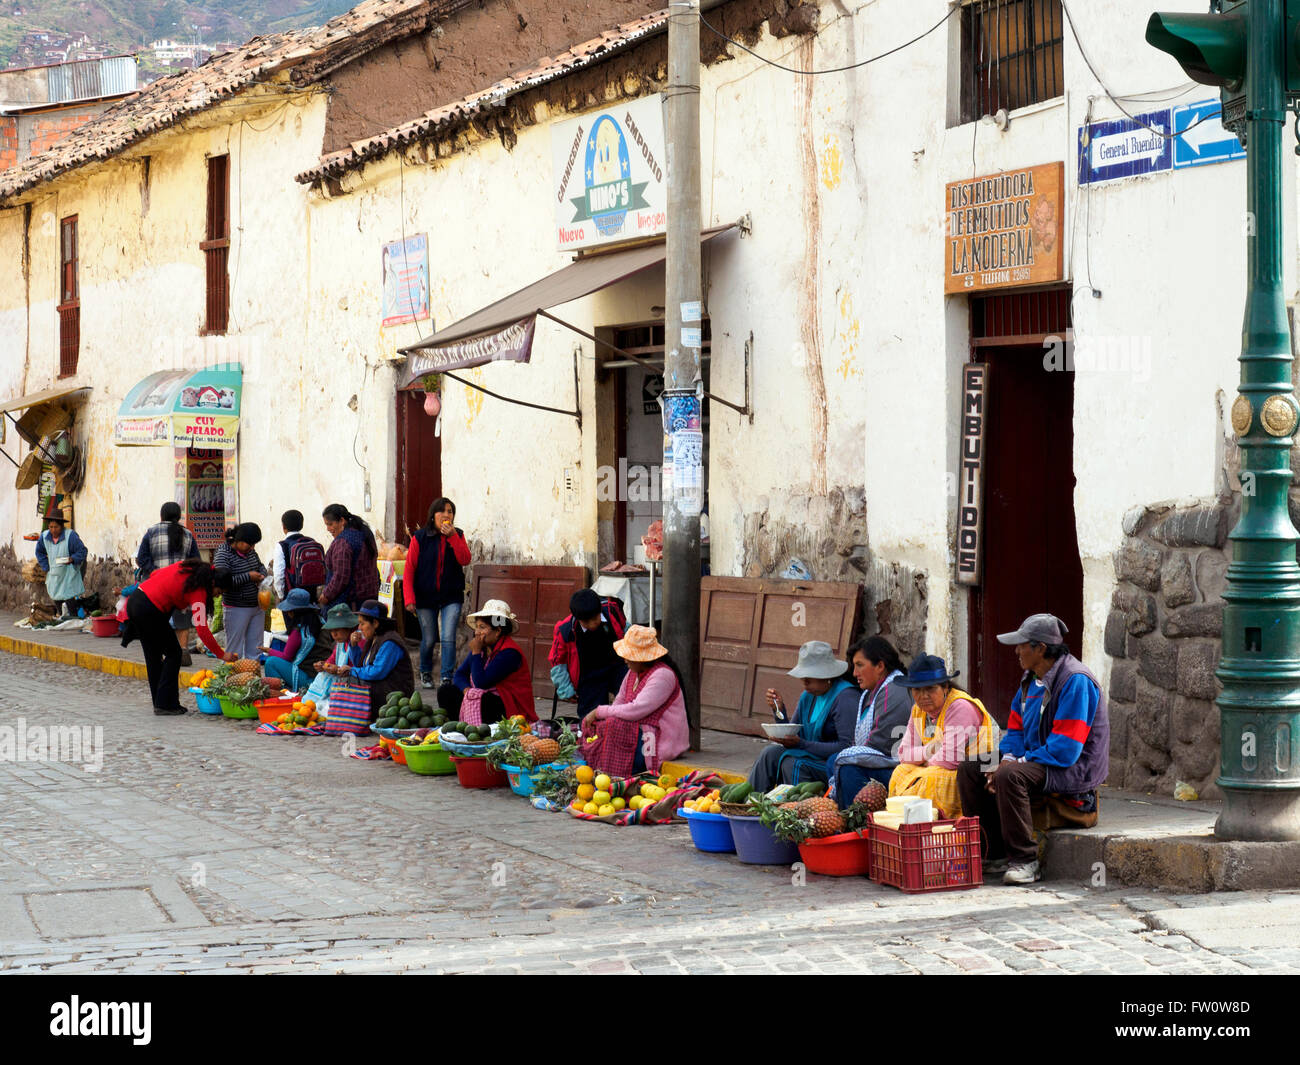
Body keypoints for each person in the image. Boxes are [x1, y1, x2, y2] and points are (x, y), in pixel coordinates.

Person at [957, 613, 1109, 886]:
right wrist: (1008, 757)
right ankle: (994, 854)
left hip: (1072, 769)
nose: (1016, 651)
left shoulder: (1076, 681)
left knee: (1009, 775)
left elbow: (1066, 749)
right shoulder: (1030, 681)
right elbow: (1015, 732)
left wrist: (1014, 764)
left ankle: (1026, 861)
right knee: (970, 768)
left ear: (1040, 648)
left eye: (1021, 645)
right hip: (1036, 759)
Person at [888, 654, 998, 820]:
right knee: (900, 771)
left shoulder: (959, 707)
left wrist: (921, 759)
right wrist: (929, 751)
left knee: (933, 777)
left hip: (976, 773)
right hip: (940, 765)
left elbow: (950, 759)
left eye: (930, 688)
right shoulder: (918, 711)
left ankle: (941, 827)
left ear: (945, 687)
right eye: (917, 690)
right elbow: (903, 753)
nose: (923, 696)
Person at [122, 559, 235, 714]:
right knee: (174, 653)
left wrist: (173, 595)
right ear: (213, 583)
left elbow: (156, 573)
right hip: (149, 609)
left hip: (137, 600)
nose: (216, 596)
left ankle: (161, 703)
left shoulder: (189, 569)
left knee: (153, 656)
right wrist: (222, 654)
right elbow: (202, 629)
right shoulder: (199, 590)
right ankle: (165, 704)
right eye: (219, 592)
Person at [580, 625, 689, 777]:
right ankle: (608, 776)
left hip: (659, 740)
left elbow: (636, 710)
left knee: (614, 724)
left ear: (642, 658)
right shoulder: (633, 672)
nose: (624, 660)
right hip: (641, 730)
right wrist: (603, 717)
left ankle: (623, 775)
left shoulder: (663, 676)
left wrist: (599, 711)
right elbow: (620, 701)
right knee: (607, 725)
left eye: (629, 656)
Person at [746, 640, 855, 793]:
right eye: (803, 676)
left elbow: (846, 747)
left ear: (827, 675)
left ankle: (795, 813)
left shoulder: (845, 697)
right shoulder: (808, 695)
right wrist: (779, 710)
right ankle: (748, 805)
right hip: (808, 755)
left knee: (793, 763)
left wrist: (801, 744)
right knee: (769, 754)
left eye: (810, 676)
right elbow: (793, 733)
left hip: (831, 765)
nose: (804, 681)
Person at [826, 636, 913, 808]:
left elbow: (881, 746)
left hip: (899, 768)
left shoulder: (895, 692)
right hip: (878, 760)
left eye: (859, 665)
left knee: (847, 769)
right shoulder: (870, 693)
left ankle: (858, 823)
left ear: (880, 666)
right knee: (834, 760)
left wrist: (847, 758)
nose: (854, 673)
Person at [404, 497, 471, 689]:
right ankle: (425, 671)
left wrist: (453, 538)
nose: (446, 515)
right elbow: (409, 570)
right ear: (433, 516)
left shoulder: (457, 534)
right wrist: (409, 598)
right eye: (442, 511)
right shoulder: (420, 537)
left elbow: (465, 559)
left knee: (448, 636)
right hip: (425, 597)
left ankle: (446, 676)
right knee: (430, 638)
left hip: (451, 596)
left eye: (450, 511)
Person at [441, 599, 536, 724]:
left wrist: (475, 653)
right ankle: (458, 727)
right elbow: (460, 674)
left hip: (511, 707)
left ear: (497, 631)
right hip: (486, 697)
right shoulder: (484, 648)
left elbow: (481, 682)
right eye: (477, 627)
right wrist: (467, 691)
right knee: (445, 691)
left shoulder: (510, 653)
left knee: (483, 700)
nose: (477, 633)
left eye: (482, 627)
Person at [320, 599, 414, 718]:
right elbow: (361, 665)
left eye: (363, 623)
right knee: (346, 679)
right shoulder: (374, 638)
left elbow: (377, 672)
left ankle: (350, 716)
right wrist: (353, 646)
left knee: (350, 680)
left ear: (375, 623)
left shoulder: (390, 642)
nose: (359, 627)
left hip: (395, 695)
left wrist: (352, 670)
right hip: (381, 688)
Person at [135, 501, 200, 663]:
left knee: (158, 620)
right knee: (182, 619)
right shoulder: (188, 534)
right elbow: (196, 561)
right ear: (179, 516)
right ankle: (183, 653)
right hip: (181, 586)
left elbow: (142, 558)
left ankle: (162, 652)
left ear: (161, 515)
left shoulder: (152, 532)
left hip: (157, 586)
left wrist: (154, 572)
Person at [548, 588, 628, 716]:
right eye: (586, 622)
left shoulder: (612, 612)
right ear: (578, 618)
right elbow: (557, 662)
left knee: (629, 703)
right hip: (589, 675)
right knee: (591, 718)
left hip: (617, 667)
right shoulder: (565, 630)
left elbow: (627, 632)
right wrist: (566, 689)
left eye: (595, 618)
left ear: (599, 611)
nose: (592, 624)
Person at [258, 588, 331, 692]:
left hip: (308, 680)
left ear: (292, 612)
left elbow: (286, 657)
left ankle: (283, 694)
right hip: (323, 677)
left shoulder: (298, 630)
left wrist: (269, 651)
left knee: (271, 663)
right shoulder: (320, 621)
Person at [212, 522, 265, 661]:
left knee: (255, 650)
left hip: (256, 605)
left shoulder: (251, 551)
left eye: (254, 545)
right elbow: (223, 582)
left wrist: (262, 575)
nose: (252, 548)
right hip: (236, 607)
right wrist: (248, 576)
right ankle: (230, 680)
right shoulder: (223, 553)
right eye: (250, 544)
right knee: (234, 651)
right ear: (239, 541)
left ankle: (252, 680)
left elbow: (260, 566)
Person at [319, 504, 380, 611]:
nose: (328, 529)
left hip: (351, 603)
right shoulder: (364, 533)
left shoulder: (343, 542)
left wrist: (326, 595)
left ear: (342, 521)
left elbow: (341, 577)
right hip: (369, 598)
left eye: (330, 524)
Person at [301, 604, 359, 714]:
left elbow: (358, 667)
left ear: (348, 627)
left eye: (337, 630)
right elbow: (332, 659)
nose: (334, 634)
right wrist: (323, 665)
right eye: (332, 631)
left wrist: (338, 669)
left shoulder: (357, 640)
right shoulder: (340, 643)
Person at [34, 516, 87, 615]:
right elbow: (39, 552)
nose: (53, 530)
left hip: (69, 571)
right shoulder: (44, 537)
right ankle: (62, 616)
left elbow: (82, 551)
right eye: (51, 527)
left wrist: (73, 558)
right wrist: (46, 567)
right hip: (54, 572)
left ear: (62, 526)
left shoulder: (70, 535)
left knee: (69, 595)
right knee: (56, 594)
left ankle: (73, 616)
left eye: (56, 527)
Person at [272, 509, 326, 600]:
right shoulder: (311, 542)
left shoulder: (282, 545)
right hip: (311, 594)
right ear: (302, 525)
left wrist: (281, 596)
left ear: (283, 526)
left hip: (292, 596)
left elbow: (279, 574)